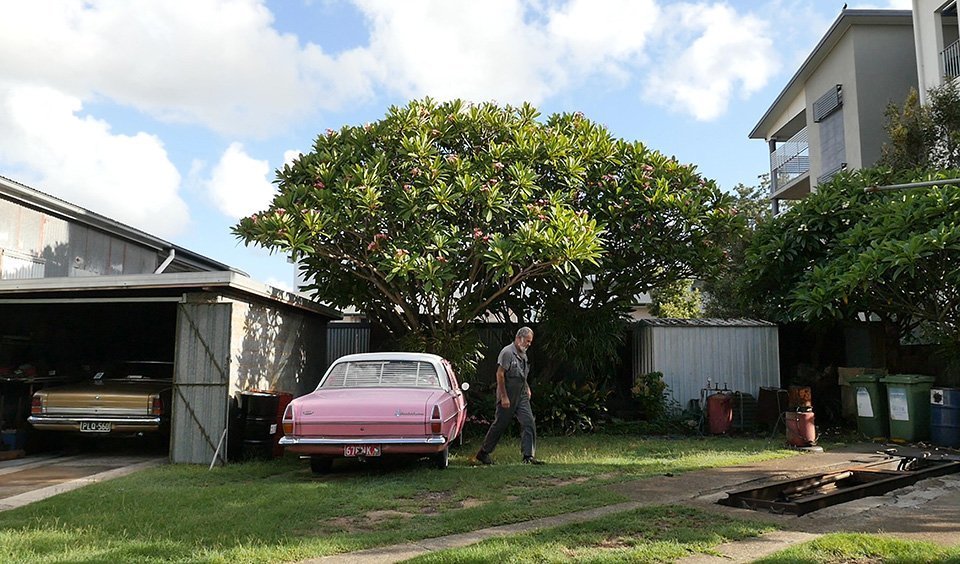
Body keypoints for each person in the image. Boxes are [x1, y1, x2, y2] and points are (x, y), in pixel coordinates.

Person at [475, 326, 544, 465]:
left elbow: (522, 375)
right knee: (500, 424)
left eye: (530, 341)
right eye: (527, 341)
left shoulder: (523, 354)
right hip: (508, 393)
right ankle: (483, 453)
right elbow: (500, 374)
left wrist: (527, 388)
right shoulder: (507, 353)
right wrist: (504, 396)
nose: (529, 344)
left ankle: (528, 456)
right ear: (519, 338)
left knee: (528, 422)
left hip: (521, 394)